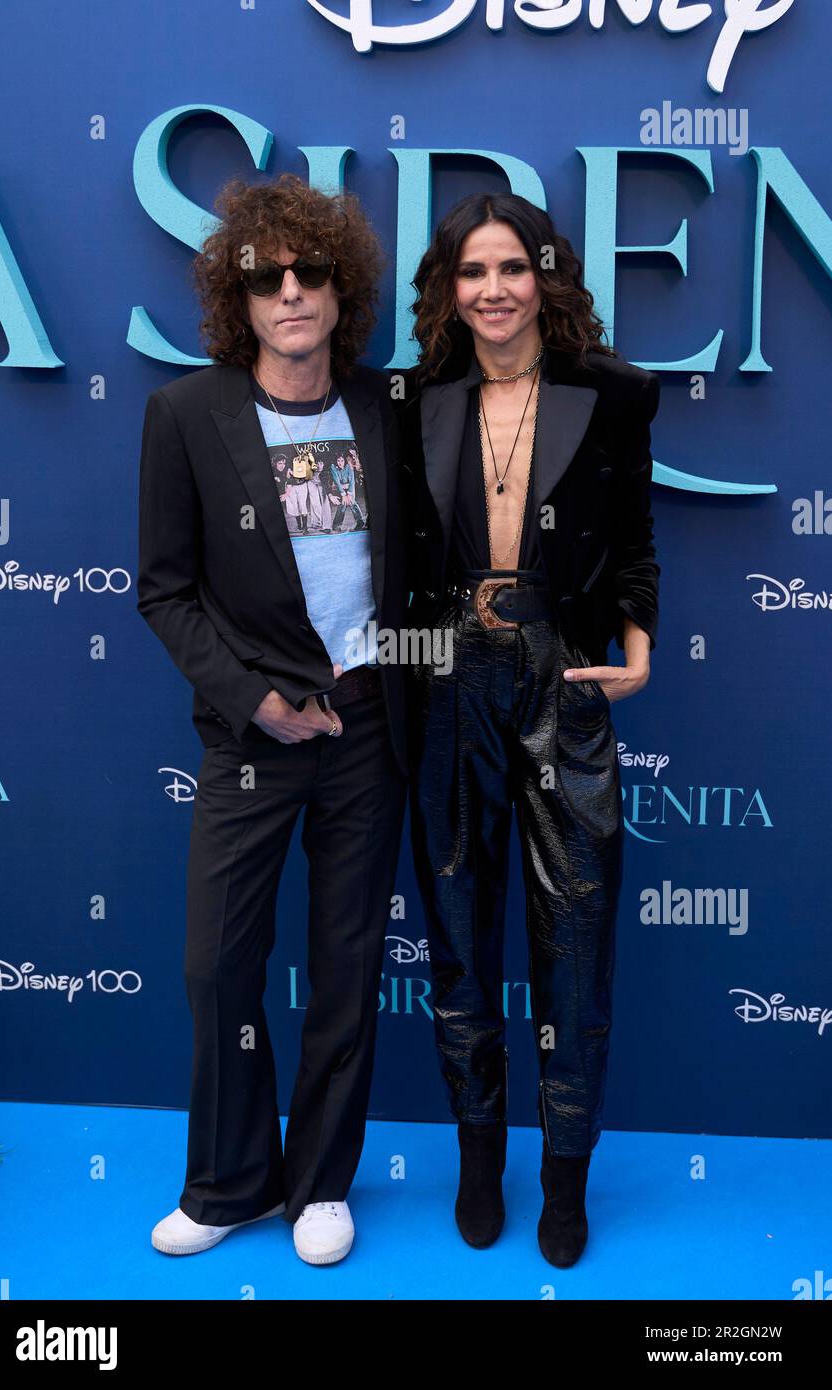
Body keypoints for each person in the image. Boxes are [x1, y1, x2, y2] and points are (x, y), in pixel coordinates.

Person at [137, 172, 409, 1265]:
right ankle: (229, 1182)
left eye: (312, 274)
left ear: (342, 292)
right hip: (251, 735)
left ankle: (321, 1183)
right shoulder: (184, 414)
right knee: (216, 964)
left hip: (369, 728)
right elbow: (162, 587)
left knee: (345, 958)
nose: (291, 292)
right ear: (237, 300)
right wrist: (251, 696)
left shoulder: (388, 407)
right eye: (268, 278)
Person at [394, 191, 661, 1267]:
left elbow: (635, 532)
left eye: (511, 268)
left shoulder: (613, 393)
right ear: (446, 290)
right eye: (471, 272)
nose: (493, 290)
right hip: (444, 667)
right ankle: (473, 1158)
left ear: (544, 275)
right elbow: (392, 566)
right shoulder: (410, 397)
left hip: (562, 666)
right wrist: (402, 669)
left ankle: (562, 1176)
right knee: (456, 929)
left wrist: (637, 645)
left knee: (577, 935)